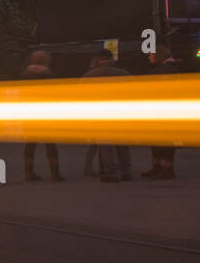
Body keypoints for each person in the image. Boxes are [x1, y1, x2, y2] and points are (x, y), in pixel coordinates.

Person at [143, 39, 192, 179]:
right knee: (158, 142)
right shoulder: (170, 68)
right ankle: (159, 167)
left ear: (159, 56)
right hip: (163, 110)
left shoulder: (165, 71)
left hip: (162, 112)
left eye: (151, 54)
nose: (149, 56)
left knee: (163, 142)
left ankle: (166, 168)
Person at [82, 49, 131, 182]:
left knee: (105, 146)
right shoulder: (124, 74)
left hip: (100, 115)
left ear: (98, 59)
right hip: (120, 114)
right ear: (112, 59)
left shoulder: (89, 76)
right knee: (122, 144)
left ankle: (110, 173)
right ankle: (126, 172)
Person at [19, 50, 61, 181]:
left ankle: (28, 173)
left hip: (30, 113)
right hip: (46, 113)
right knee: (50, 144)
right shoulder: (49, 74)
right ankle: (54, 174)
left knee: (30, 144)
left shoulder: (25, 74)